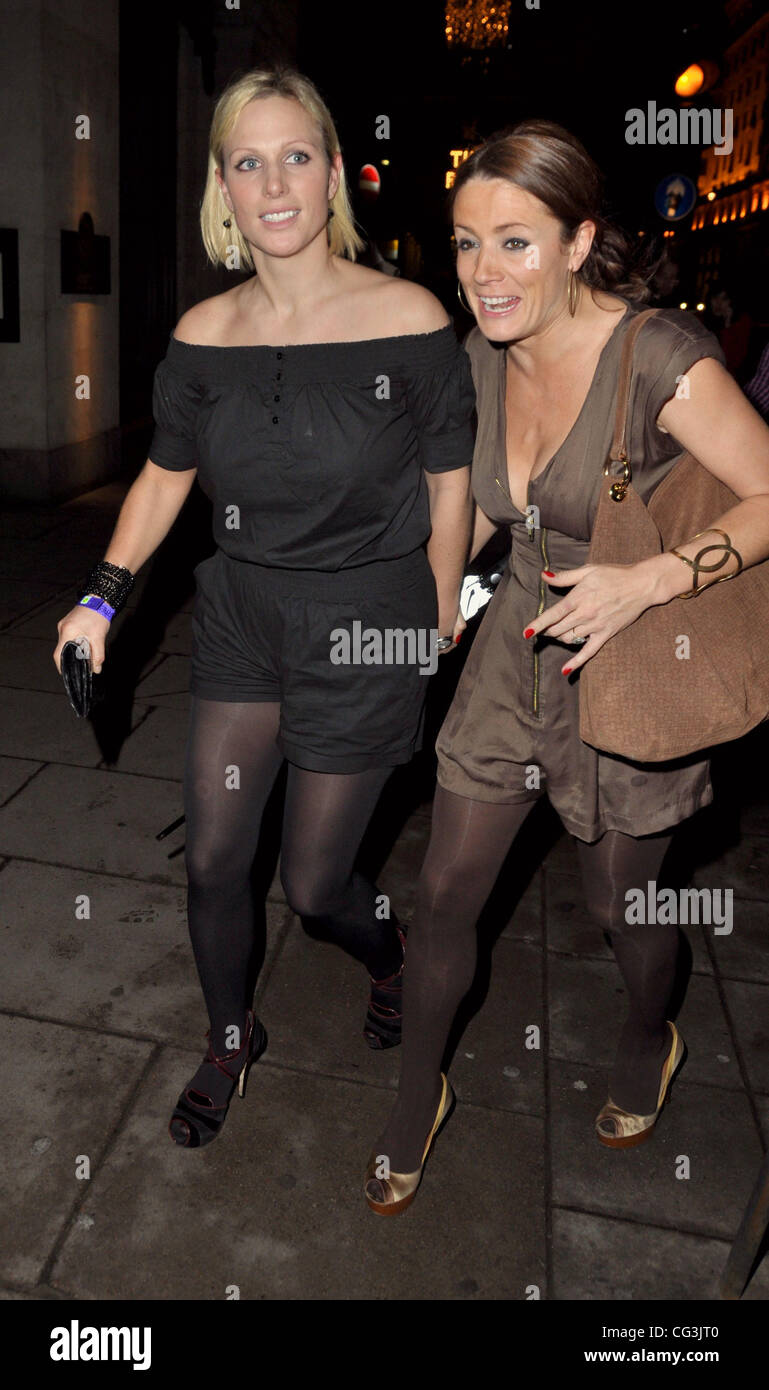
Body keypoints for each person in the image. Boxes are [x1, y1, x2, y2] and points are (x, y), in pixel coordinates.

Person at [53, 65, 473, 1149]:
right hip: (243, 617)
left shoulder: (409, 315)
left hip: (366, 622)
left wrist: (436, 613)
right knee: (211, 856)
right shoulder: (202, 336)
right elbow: (162, 478)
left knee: (319, 883)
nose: (273, 182)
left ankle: (386, 953)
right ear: (223, 188)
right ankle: (229, 1035)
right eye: (248, 161)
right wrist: (101, 599)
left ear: (334, 173)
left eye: (296, 156)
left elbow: (448, 482)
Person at [363, 119, 769, 1213]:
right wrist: (437, 594)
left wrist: (647, 583)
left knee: (617, 895)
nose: (483, 275)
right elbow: (488, 515)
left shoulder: (661, 359)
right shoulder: (475, 355)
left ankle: (649, 1035)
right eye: (462, 244)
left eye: (514, 243)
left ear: (580, 240)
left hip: (640, 637)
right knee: (445, 890)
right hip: (520, 641)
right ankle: (414, 1098)